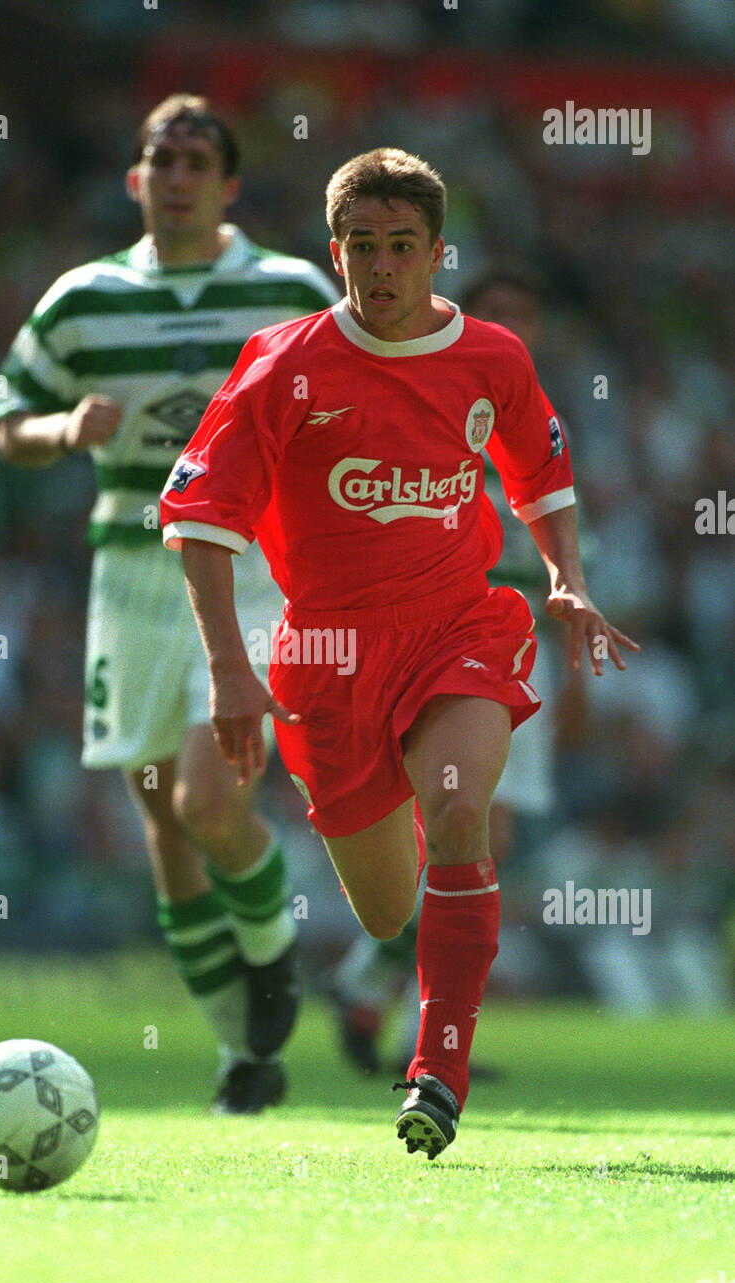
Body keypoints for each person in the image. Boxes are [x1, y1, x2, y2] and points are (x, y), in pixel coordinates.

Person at [160, 147, 638, 1159]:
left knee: (461, 809)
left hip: (456, 628)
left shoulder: (493, 358)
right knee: (386, 908)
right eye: (361, 248)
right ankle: (422, 941)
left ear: (434, 254)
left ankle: (437, 1073)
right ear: (335, 253)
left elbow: (539, 478)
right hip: (325, 661)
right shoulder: (282, 363)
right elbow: (200, 520)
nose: (380, 268)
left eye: (401, 248)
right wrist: (227, 667)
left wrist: (566, 578)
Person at [0, 94, 338, 1115]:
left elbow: (349, 404)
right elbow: (8, 419)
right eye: (159, 160)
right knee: (161, 819)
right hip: (130, 570)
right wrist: (62, 430)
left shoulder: (287, 289)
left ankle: (270, 957)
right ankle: (244, 1051)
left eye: (195, 161)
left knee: (207, 797)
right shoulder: (83, 299)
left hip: (247, 565)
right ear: (135, 180)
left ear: (227, 186)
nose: (176, 177)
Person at [331, 265, 585, 1078]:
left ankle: (383, 1002)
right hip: (441, 639)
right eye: (498, 312)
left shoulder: (528, 413)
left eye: (527, 316)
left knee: (478, 835)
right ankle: (396, 1013)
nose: (515, 328)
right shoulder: (431, 403)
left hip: (513, 638)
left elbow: (558, 531)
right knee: (466, 827)